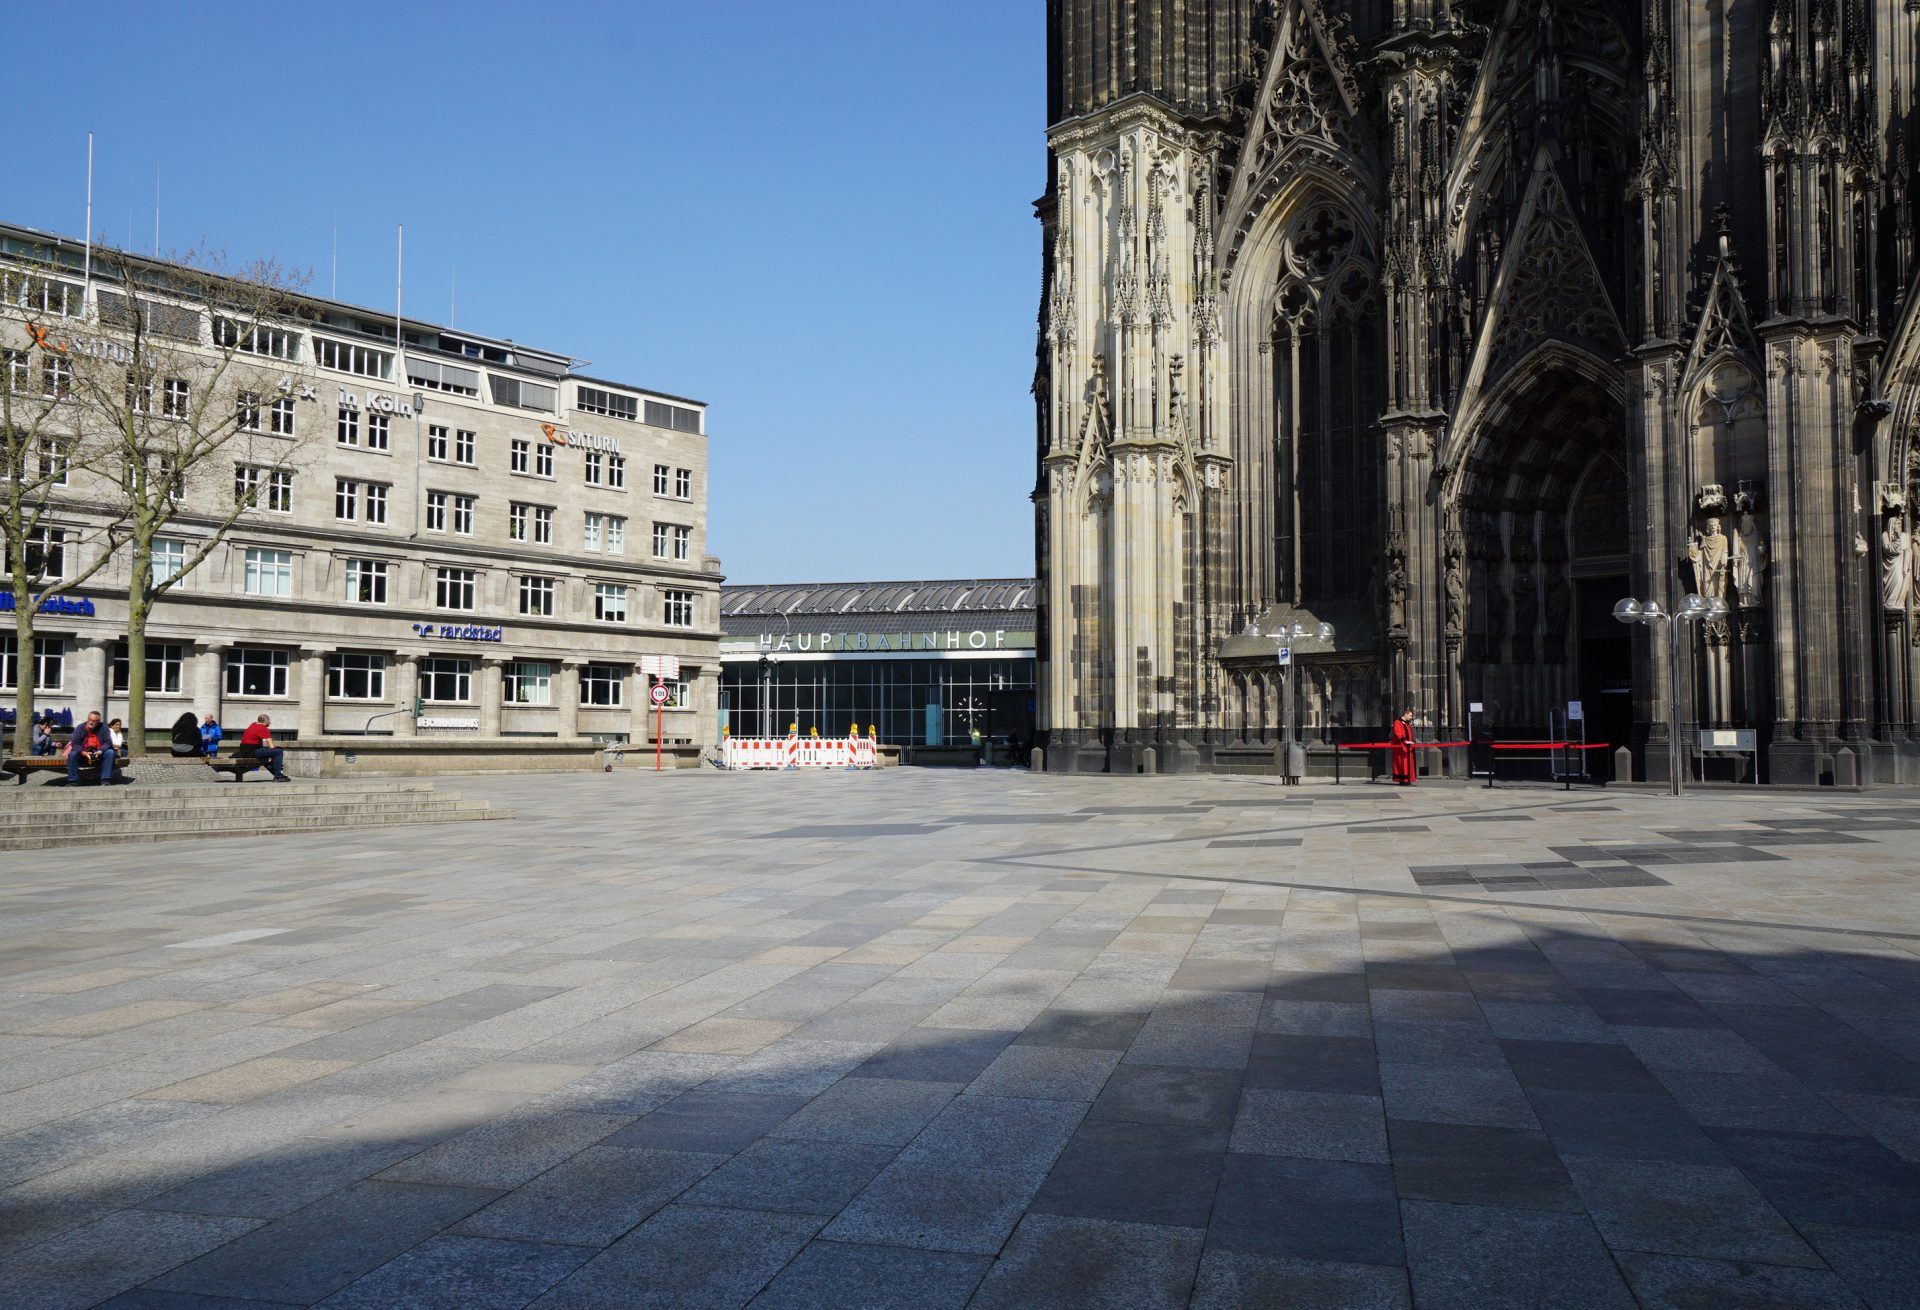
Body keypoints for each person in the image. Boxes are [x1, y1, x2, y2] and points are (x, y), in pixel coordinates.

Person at [65, 711, 120, 785]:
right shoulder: (80, 727)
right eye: (89, 719)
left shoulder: (104, 727)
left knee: (110, 752)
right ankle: (72, 781)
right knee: (73, 754)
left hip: (98, 752)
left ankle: (105, 779)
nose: (91, 722)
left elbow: (108, 742)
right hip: (83, 752)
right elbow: (75, 743)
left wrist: (101, 750)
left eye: (94, 721)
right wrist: (83, 752)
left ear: (98, 721)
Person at [238, 713, 290, 781]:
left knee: (266, 757)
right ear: (265, 721)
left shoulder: (253, 724)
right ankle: (278, 776)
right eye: (269, 720)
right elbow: (272, 746)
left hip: (244, 751)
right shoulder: (263, 728)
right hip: (252, 751)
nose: (270, 722)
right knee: (279, 752)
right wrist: (273, 755)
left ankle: (278, 774)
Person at [1389, 708, 1417, 786]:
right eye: (1410, 715)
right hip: (1401, 748)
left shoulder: (1407, 724)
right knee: (1402, 764)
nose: (1411, 717)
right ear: (1406, 714)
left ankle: (1407, 779)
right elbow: (1398, 733)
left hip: (1408, 747)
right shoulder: (1397, 722)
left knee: (1408, 764)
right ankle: (1403, 780)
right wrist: (1405, 741)